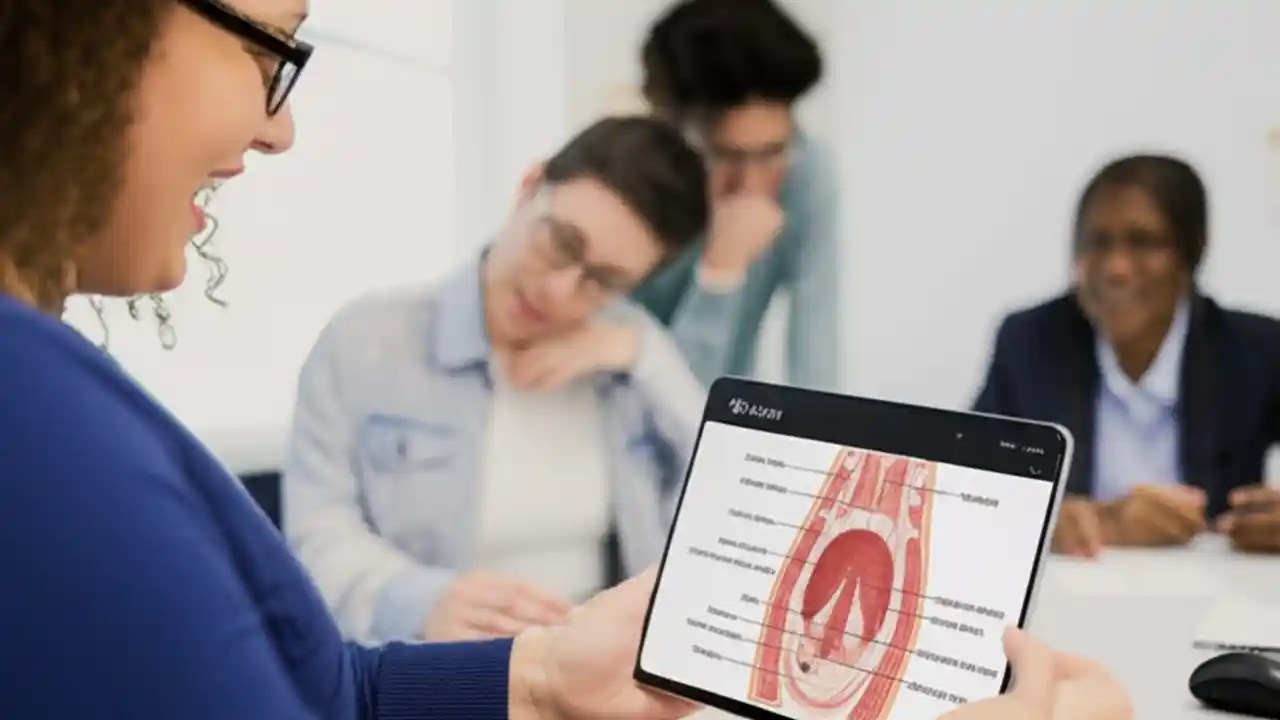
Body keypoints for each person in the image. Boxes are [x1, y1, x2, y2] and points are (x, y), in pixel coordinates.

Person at [0, 1, 1133, 718]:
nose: (279, 126)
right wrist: (445, 604)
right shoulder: (80, 419)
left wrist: (537, 675)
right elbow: (322, 594)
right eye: (272, 51)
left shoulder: (625, 361)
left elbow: (330, 690)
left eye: (607, 282)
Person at [283, 116, 708, 645]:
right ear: (529, 187)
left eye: (603, 282)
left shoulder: (632, 358)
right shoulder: (369, 340)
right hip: (434, 667)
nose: (559, 290)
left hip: (596, 675)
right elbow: (317, 535)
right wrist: (417, 600)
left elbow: (721, 502)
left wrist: (644, 355)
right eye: (561, 243)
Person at [973, 154, 1280, 558]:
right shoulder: (1031, 340)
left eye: (1144, 242)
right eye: (1096, 243)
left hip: (1216, 603)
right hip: (1077, 592)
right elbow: (967, 485)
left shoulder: (1253, 348)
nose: (1115, 268)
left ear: (1192, 254)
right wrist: (1049, 518)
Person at [629, 0, 843, 391]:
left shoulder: (806, 171)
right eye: (726, 155)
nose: (751, 183)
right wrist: (720, 273)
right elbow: (664, 401)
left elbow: (817, 351)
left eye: (773, 151)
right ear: (674, 132)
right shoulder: (631, 190)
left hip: (725, 428)